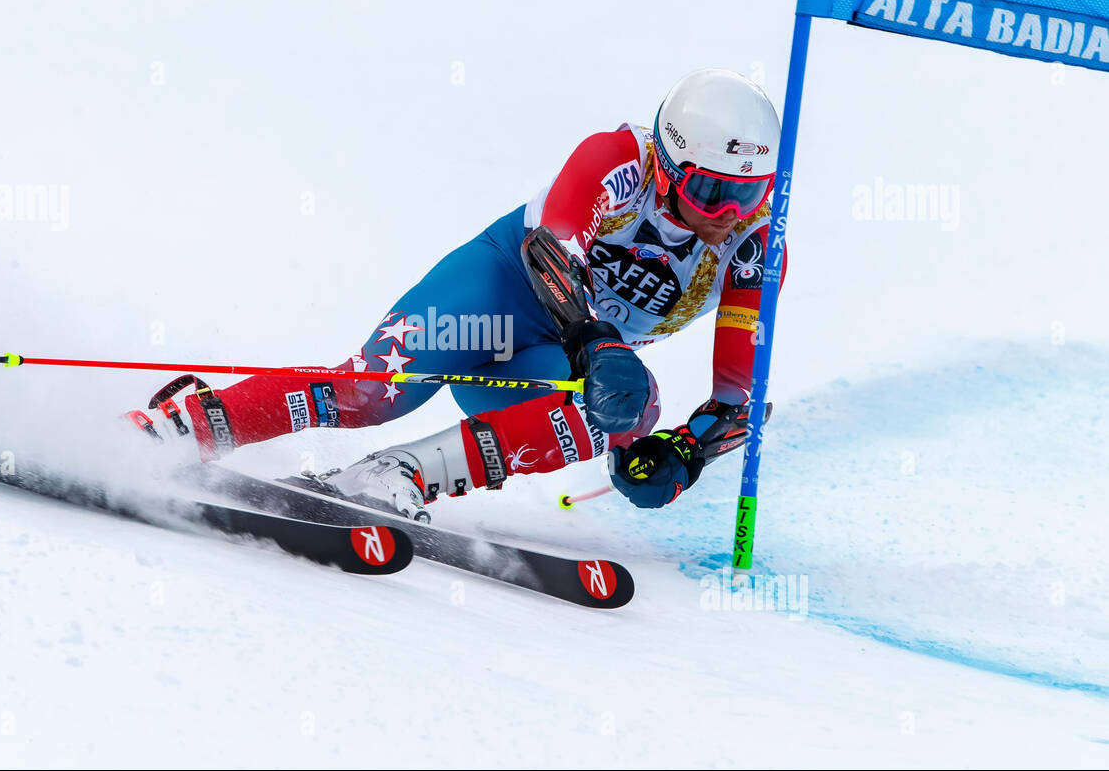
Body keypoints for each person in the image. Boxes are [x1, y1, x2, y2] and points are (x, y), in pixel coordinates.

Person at [131, 68, 785, 518]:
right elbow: (551, 251)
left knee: (629, 406)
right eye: (709, 191)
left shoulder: (755, 246)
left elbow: (737, 401)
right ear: (669, 168)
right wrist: (592, 340)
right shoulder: (618, 157)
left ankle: (395, 475)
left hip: (550, 363)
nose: (727, 213)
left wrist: (683, 454)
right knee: (368, 394)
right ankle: (185, 428)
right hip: (498, 296)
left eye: (748, 193)